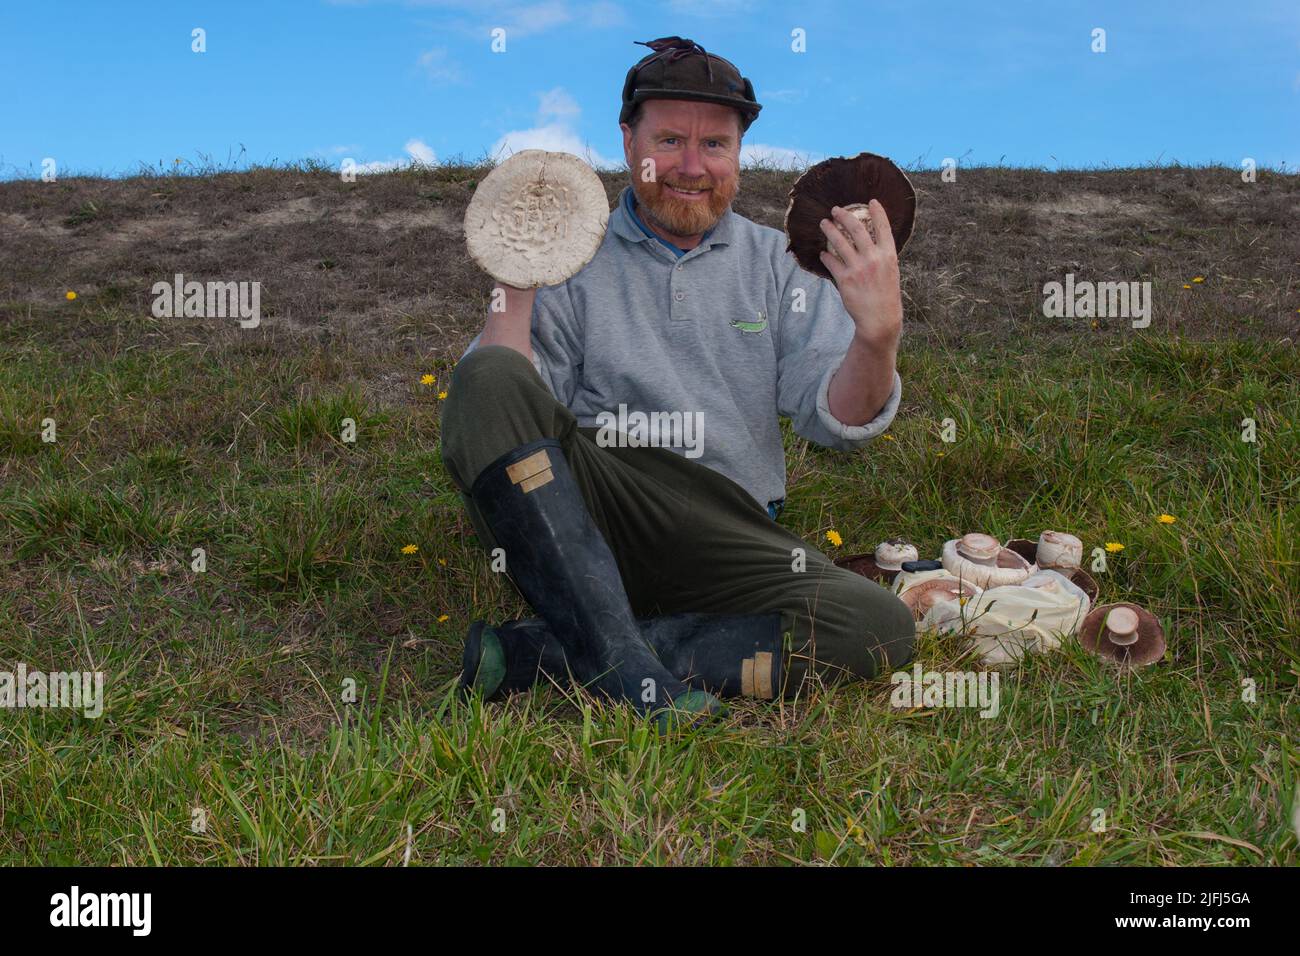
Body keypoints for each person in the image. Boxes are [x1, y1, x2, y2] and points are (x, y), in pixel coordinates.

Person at [440, 36, 915, 729]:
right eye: (668, 139)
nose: (691, 167)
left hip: (726, 529)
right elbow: (506, 403)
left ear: (740, 154)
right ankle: (633, 676)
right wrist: (516, 275)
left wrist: (877, 336)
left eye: (715, 145)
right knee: (484, 370)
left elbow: (835, 417)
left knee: (881, 625)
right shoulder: (575, 255)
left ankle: (552, 653)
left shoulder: (777, 264)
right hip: (592, 511)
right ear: (628, 141)